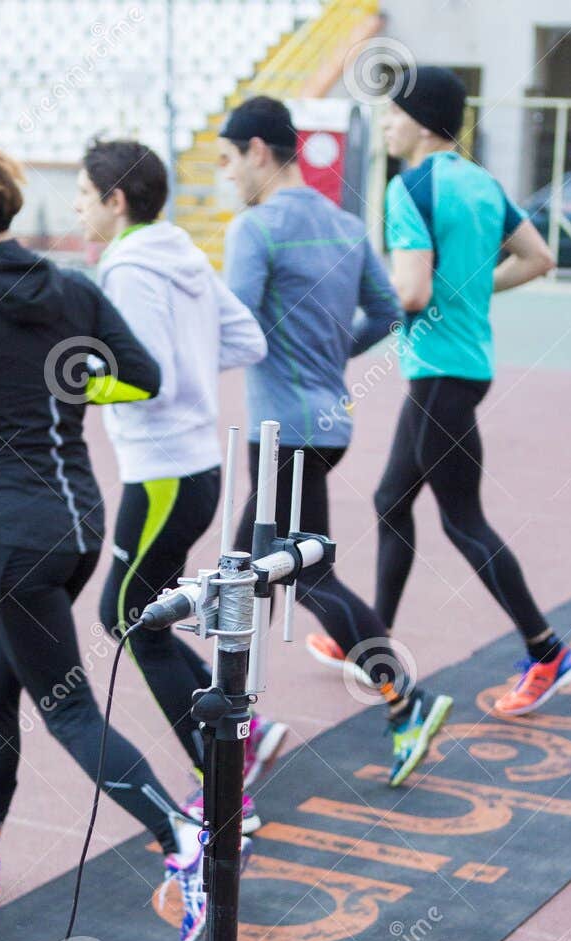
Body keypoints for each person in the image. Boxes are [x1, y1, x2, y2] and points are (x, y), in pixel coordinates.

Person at [0, 138, 210, 941]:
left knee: (66, 707)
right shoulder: (70, 289)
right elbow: (139, 374)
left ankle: (180, 838)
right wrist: (64, 379)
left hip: (12, 537)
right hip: (78, 525)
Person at [219, 95, 452, 785]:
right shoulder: (346, 225)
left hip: (282, 430)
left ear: (258, 151)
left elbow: (235, 331)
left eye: (230, 161)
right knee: (239, 571)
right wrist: (326, 354)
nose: (227, 176)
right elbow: (388, 312)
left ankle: (405, 699)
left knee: (304, 573)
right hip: (324, 423)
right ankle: (235, 724)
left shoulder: (254, 229)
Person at [74, 138, 284, 833]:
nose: (77, 207)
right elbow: (245, 341)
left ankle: (224, 776)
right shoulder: (183, 255)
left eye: (83, 193)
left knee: (129, 618)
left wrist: (78, 384)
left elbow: (146, 374)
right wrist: (193, 373)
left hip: (162, 468)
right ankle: (235, 738)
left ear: (115, 200)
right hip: (193, 464)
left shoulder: (129, 268)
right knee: (139, 617)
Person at [372, 66, 571, 717]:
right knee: (390, 500)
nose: (384, 123)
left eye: (391, 113)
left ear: (420, 121)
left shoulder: (410, 188)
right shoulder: (483, 184)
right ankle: (370, 642)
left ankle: (546, 650)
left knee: (462, 522)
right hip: (459, 368)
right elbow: (538, 258)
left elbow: (408, 292)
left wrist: (376, 300)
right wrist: (471, 289)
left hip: (439, 372)